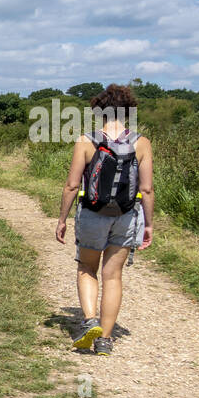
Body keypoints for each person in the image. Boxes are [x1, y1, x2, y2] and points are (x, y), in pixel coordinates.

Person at [54, 84, 154, 355]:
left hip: (92, 214)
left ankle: (90, 322)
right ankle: (105, 340)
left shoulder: (86, 141)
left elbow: (72, 185)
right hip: (126, 216)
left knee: (87, 268)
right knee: (113, 276)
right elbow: (146, 189)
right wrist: (148, 224)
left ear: (99, 111)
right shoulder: (141, 143)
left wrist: (62, 219)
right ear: (129, 111)